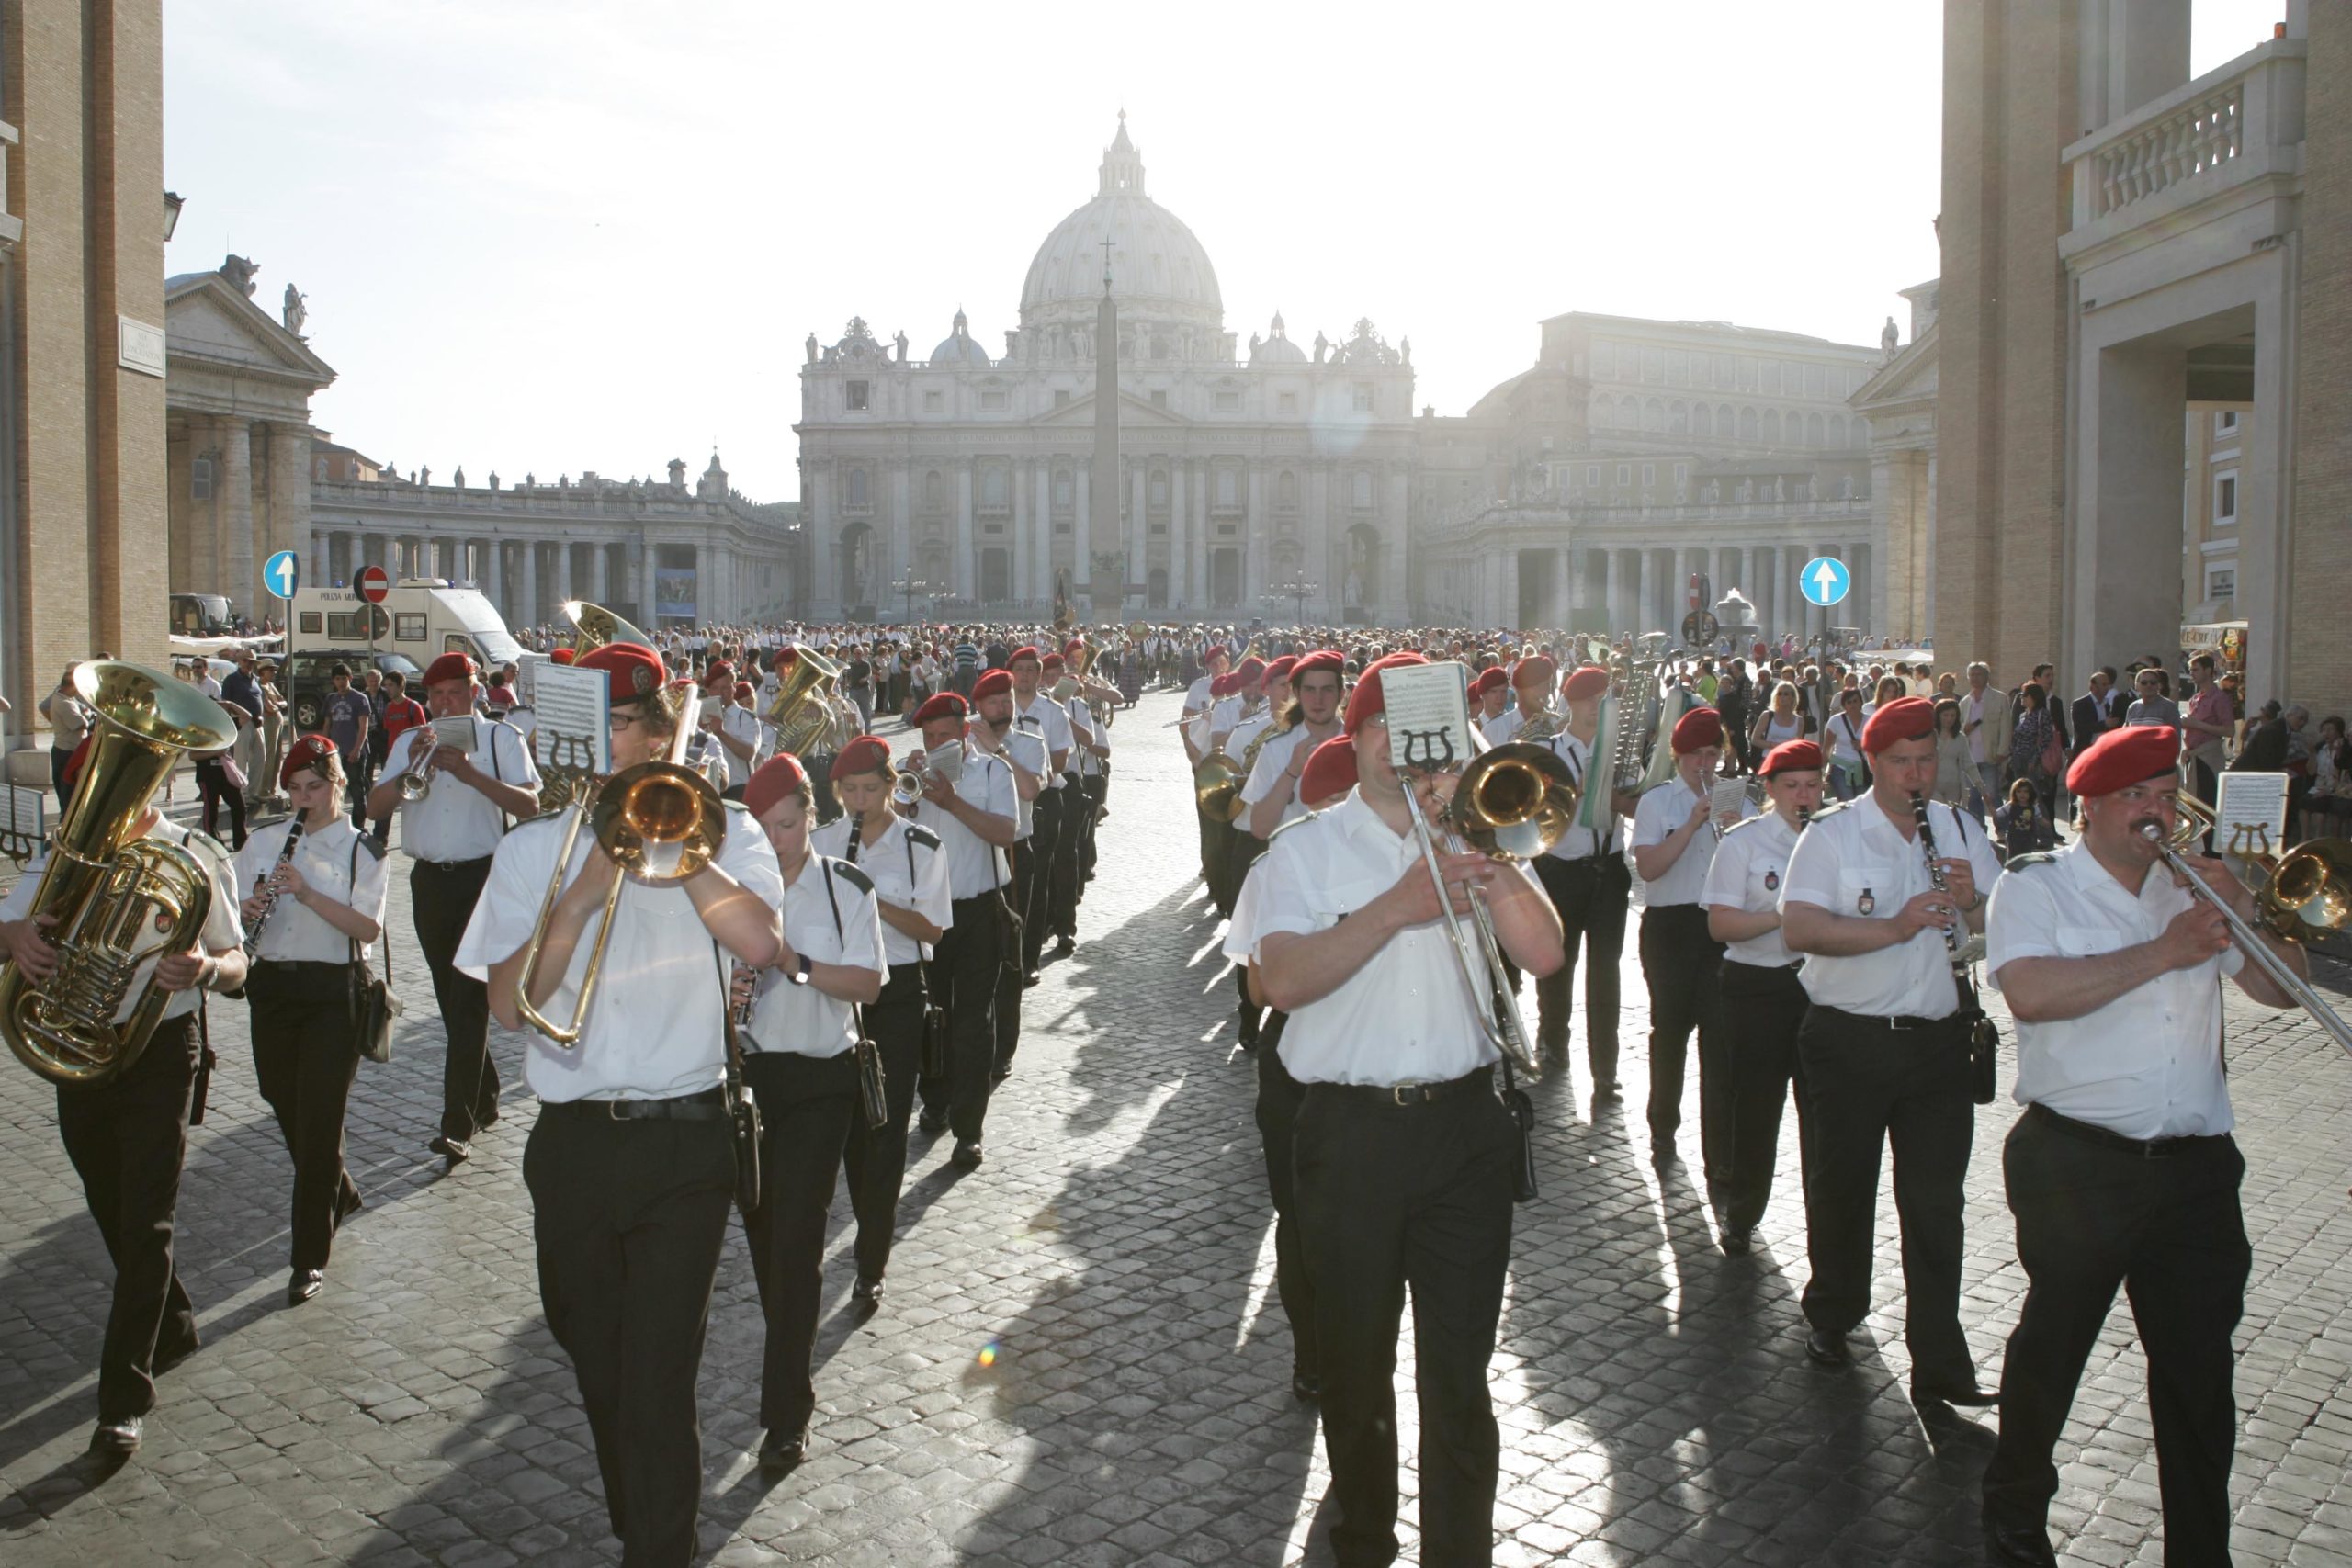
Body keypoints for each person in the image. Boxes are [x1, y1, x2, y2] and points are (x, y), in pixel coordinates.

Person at [454, 641, 785, 1566]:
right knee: (598, 1363)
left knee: (656, 1382)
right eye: (595, 723)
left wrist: (682, 853)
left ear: (656, 733)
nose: (610, 739)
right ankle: (641, 1514)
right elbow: (506, 1006)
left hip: (687, 1142)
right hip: (574, 1146)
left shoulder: (725, 834)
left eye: (627, 722)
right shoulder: (530, 852)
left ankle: (658, 1548)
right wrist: (580, 896)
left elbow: (760, 945)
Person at [1252, 653, 1564, 1567]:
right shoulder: (1305, 849)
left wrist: (1473, 836)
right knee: (1355, 1373)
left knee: (1459, 1377)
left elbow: (1543, 956)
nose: (1411, 744)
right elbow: (1282, 978)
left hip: (1465, 1132)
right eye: (1390, 724)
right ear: (1355, 741)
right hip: (1350, 1138)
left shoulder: (1478, 836)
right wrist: (1395, 907)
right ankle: (1363, 1541)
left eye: (1430, 725)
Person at [1978, 725, 2304, 1568]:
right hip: (2078, 1163)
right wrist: (2165, 950)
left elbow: (2284, 990)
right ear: (2089, 805)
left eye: (2167, 795)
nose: (2157, 814)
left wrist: (2248, 910)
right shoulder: (2036, 885)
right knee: (2053, 1350)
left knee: (2200, 1379)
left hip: (2195, 1171)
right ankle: (2014, 1506)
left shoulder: (2194, 887)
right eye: (2137, 798)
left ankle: (2201, 1550)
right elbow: (2034, 994)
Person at [0, 737, 244, 1457]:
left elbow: (240, 963)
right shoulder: (61, 857)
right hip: (79, 1052)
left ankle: (122, 1400)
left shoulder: (193, 857)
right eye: (85, 794)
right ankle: (170, 1319)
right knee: (112, 1211)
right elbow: (3, 926)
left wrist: (205, 965)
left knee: (146, 1225)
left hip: (161, 1054)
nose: (97, 809)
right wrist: (16, 937)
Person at [1778, 694, 2005, 1404]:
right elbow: (1800, 928)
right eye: (1902, 762)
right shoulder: (1834, 834)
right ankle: (1834, 1314)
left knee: (1936, 1204)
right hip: (1849, 1039)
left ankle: (1940, 1357)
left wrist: (1972, 905)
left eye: (1926, 760)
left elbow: (1997, 934)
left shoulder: (1960, 827)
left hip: (1937, 1044)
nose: (1918, 775)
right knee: (1842, 1186)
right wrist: (1898, 926)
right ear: (1872, 762)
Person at [729, 754, 887, 1472]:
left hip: (823, 1079)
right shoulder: (727, 889)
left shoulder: (846, 885)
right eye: (761, 830)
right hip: (749, 1078)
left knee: (795, 1242)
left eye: (787, 824)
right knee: (767, 1243)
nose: (777, 840)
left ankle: (786, 1413)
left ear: (809, 814)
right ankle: (788, 1356)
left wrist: (791, 962)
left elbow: (869, 983)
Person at [367, 653, 542, 1167]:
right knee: (449, 998)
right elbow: (375, 809)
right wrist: (407, 771)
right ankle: (484, 1095)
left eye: (453, 694)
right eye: (435, 696)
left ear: (474, 693)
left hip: (482, 878)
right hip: (427, 882)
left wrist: (468, 774)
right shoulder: (408, 742)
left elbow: (530, 804)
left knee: (468, 1001)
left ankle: (456, 1124)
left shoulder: (500, 739)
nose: (443, 704)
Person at [235, 735, 389, 1306]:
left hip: (334, 990)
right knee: (281, 1096)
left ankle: (307, 1258)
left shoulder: (363, 850)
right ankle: (339, 1188)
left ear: (337, 784)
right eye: (295, 789)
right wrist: (246, 907)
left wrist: (305, 891)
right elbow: (228, 909)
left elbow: (367, 929)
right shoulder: (263, 841)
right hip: (273, 985)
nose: (304, 800)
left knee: (321, 1120)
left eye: (315, 787)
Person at [813, 737, 953, 1303]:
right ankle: (856, 1220)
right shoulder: (823, 841)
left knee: (888, 1127)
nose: (859, 801)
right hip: (836, 992)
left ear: (891, 787)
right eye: (849, 791)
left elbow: (933, 931)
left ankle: (872, 1258)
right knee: (847, 1126)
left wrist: (868, 897)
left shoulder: (921, 845)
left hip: (896, 994)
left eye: (870, 789)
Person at [1701, 739, 1826, 1255]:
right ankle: (1743, 1215)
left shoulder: (1833, 839)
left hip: (1820, 989)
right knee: (1756, 1108)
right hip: (1758, 987)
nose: (1805, 796)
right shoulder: (1744, 843)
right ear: (1769, 790)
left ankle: (1827, 1226)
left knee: (1821, 1116)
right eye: (1792, 787)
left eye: (1813, 786)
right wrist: (1782, 916)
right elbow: (1719, 925)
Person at [1632, 707, 1750, 1187]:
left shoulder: (1735, 800)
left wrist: (1734, 828)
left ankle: (1719, 1153)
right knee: (1670, 1032)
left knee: (1719, 1043)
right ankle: (1663, 1127)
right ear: (1678, 756)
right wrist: (1691, 825)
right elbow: (1648, 869)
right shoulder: (1658, 802)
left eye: (1713, 754)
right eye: (1696, 755)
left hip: (1718, 927)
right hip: (1670, 928)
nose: (1705, 764)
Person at [907, 692, 1018, 1168]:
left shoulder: (994, 772)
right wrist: (902, 791)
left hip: (976, 911)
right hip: (927, 915)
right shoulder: (915, 778)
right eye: (928, 738)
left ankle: (968, 1129)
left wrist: (951, 803)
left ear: (965, 733)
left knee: (974, 1021)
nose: (935, 745)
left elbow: (1005, 833)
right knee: (931, 1013)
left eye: (943, 736)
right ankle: (935, 1099)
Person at [1532, 664, 1634, 1092]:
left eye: (1603, 700)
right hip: (1562, 870)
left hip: (1608, 870)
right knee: (1558, 963)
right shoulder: (1550, 750)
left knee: (1606, 971)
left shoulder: (1620, 749)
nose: (1597, 707)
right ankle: (1553, 1041)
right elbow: (1534, 817)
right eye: (1590, 700)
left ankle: (1605, 1068)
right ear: (1572, 703)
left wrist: (1613, 795)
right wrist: (1573, 792)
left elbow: (1635, 808)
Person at [1962, 661, 2014, 819]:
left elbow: (2006, 727)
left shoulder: (1999, 698)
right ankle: (1979, 830)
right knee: (1973, 798)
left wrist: (2002, 751)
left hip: (1990, 757)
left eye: (1979, 674)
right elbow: (1958, 729)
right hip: (1970, 758)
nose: (1975, 678)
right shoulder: (1965, 702)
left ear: (1987, 676)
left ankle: (2001, 828)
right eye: (1972, 675)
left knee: (1993, 796)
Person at [322, 665, 372, 819]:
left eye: (344, 678)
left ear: (350, 678)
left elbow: (364, 726)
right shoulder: (331, 698)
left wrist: (357, 749)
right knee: (334, 787)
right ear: (333, 681)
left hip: (354, 751)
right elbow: (327, 725)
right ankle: (335, 820)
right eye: (338, 679)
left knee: (356, 788)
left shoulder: (360, 699)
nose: (341, 682)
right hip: (336, 751)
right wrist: (325, 749)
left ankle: (359, 824)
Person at [38, 661, 90, 802]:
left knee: (70, 794)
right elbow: (81, 724)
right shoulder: (64, 703)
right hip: (67, 753)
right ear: (73, 685)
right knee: (69, 796)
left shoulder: (64, 697)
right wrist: (87, 716)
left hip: (65, 750)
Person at [1994, 777, 2060, 862]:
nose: (2022, 794)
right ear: (2014, 793)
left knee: (2025, 858)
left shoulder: (2033, 807)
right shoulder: (2011, 805)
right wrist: (1989, 804)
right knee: (2012, 858)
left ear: (2031, 794)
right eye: (2019, 791)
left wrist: (2047, 824)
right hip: (2014, 837)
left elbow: (2039, 818)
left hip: (2029, 838)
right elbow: (1997, 814)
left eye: (2026, 791)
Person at [1931, 698, 1974, 814]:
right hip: (1934, 783)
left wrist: (1981, 787)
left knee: (1952, 817)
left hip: (1954, 784)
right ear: (1938, 715)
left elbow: (1969, 763)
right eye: (1945, 715)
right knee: (1939, 814)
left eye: (1952, 715)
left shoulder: (1960, 738)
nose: (1949, 719)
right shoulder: (1931, 735)